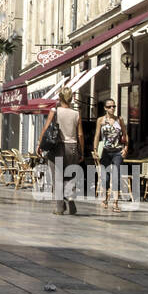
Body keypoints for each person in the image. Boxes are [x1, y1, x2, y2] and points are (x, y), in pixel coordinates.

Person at [38, 85, 84, 216]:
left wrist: (39, 144)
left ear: (60, 97)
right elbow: (80, 134)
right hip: (73, 147)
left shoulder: (55, 111)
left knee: (57, 178)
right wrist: (82, 151)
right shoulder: (76, 114)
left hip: (57, 147)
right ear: (71, 98)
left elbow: (46, 128)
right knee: (70, 175)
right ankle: (70, 196)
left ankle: (59, 208)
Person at [93, 98, 128, 211]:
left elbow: (125, 135)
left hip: (117, 151)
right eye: (109, 106)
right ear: (105, 108)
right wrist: (95, 150)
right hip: (105, 151)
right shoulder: (100, 120)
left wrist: (126, 148)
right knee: (106, 176)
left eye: (114, 106)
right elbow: (97, 136)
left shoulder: (119, 119)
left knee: (116, 175)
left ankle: (116, 203)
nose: (112, 108)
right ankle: (105, 199)